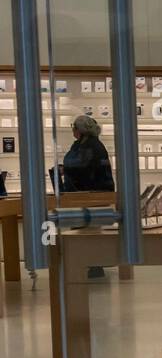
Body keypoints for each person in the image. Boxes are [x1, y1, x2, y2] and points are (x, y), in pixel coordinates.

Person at [61, 115, 114, 279]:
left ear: (80, 129)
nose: (73, 130)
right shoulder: (84, 144)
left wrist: (66, 169)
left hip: (91, 194)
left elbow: (81, 166)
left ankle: (92, 264)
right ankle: (87, 263)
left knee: (88, 229)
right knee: (85, 229)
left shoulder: (91, 146)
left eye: (74, 127)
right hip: (83, 193)